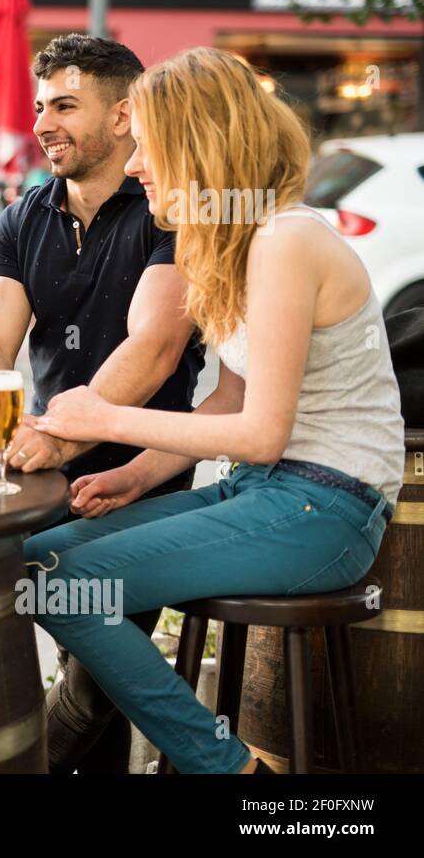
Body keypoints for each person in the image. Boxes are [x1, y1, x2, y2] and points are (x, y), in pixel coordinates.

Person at [28, 46, 406, 773]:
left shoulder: (286, 241)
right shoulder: (230, 243)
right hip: (263, 491)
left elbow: (261, 432)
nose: (137, 166)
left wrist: (105, 419)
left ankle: (230, 770)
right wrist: (137, 475)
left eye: (149, 147)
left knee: (70, 585)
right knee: (29, 564)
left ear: (199, 145)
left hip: (329, 508)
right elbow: (231, 397)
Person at [0, 34, 205, 774]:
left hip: (145, 473)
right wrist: (7, 436)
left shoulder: (170, 208)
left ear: (125, 115)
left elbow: (156, 345)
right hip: (40, 473)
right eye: (40, 106)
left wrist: (64, 438)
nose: (43, 123)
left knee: (99, 683)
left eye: (65, 105)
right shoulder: (21, 218)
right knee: (77, 664)